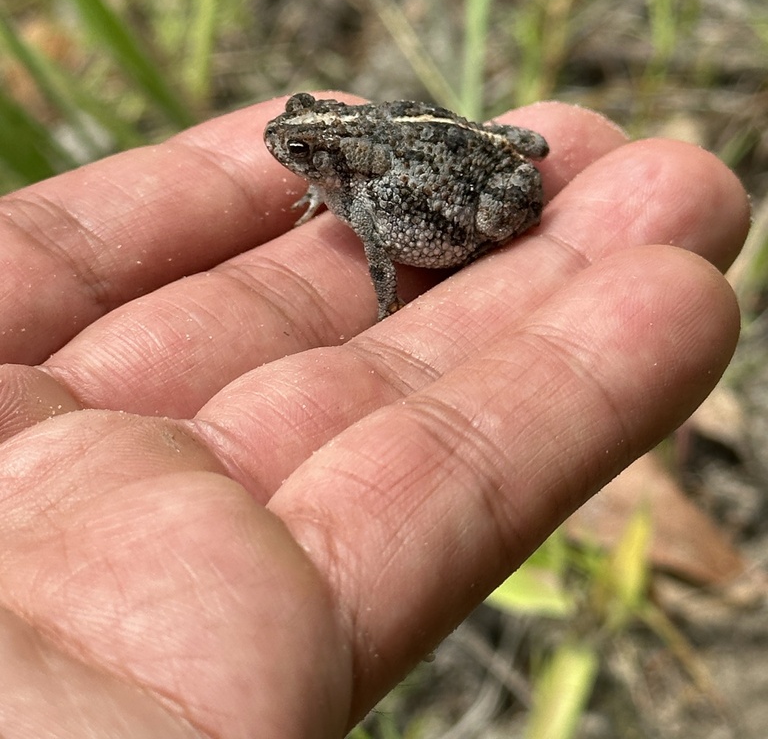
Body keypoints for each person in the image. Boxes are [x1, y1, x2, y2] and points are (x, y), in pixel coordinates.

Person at [0, 95, 749, 737]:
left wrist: (387, 309)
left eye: (298, 149)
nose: (280, 151)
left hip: (483, 189)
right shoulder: (357, 158)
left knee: (403, 211)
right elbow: (528, 144)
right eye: (296, 137)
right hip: (478, 144)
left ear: (333, 155)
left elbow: (382, 256)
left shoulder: (362, 187)